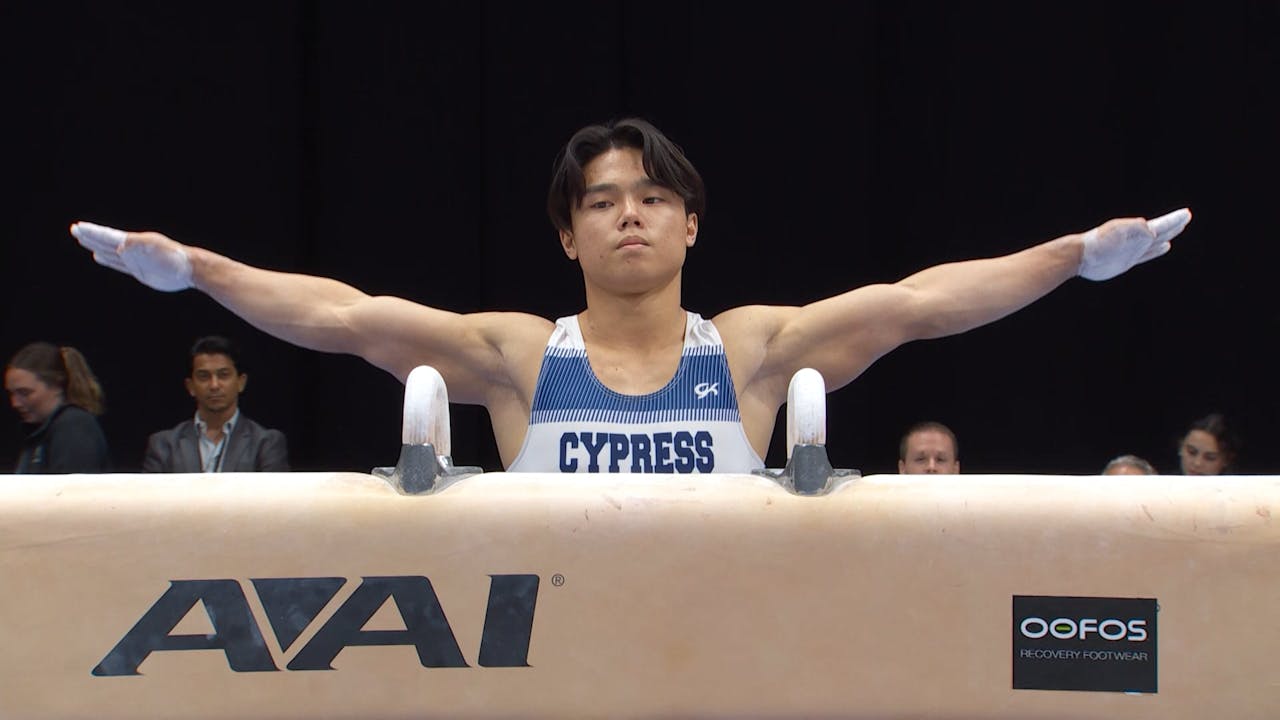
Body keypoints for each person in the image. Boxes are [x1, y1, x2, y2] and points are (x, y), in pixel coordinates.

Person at [70, 118, 1192, 474]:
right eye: (601, 203)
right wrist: (198, 271)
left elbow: (914, 302)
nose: (629, 215)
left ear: (691, 224)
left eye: (654, 199)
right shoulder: (517, 357)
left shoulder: (750, 352)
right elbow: (344, 316)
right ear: (567, 235)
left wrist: (1071, 257)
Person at [142, 336, 289, 473]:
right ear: (190, 386)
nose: (214, 385)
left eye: (223, 375)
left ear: (241, 382)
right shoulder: (164, 445)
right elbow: (151, 500)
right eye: (204, 376)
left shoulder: (265, 443)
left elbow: (274, 500)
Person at [5, 342, 110, 473]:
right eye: (12, 393)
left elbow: (72, 491)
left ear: (57, 385)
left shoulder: (74, 426)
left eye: (25, 393)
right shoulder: (43, 433)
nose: (15, 403)